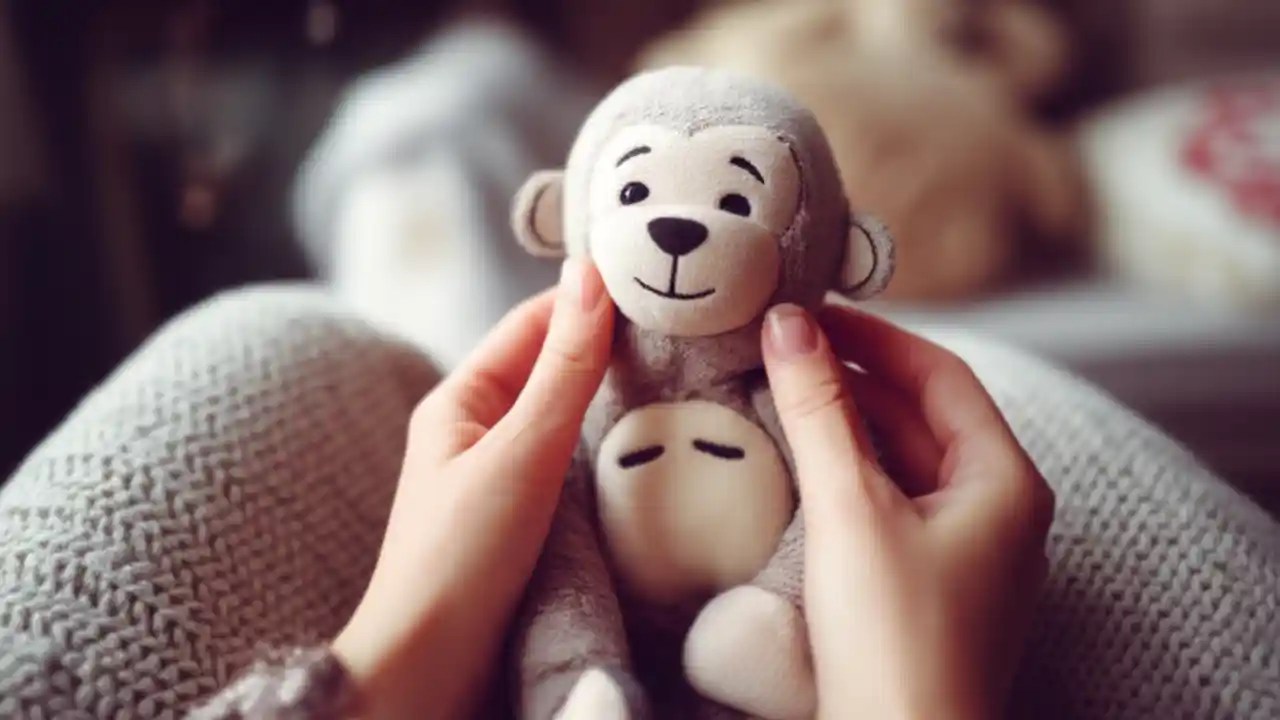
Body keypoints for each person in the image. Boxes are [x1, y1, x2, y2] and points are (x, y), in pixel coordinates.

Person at [191, 259, 1054, 719]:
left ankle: (768, 626)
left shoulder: (790, 404)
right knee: (562, 554)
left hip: (769, 651)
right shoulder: (586, 421)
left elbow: (841, 507)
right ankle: (574, 687)